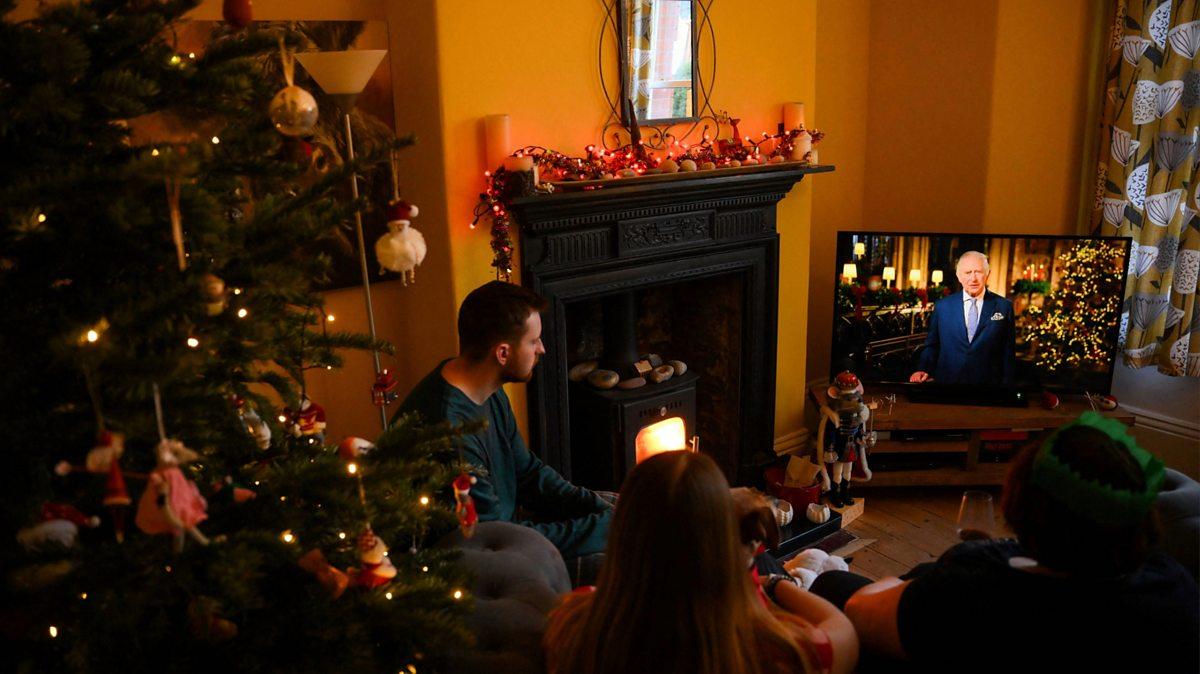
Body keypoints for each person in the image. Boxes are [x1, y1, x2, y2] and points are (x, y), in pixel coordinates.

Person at [811, 412, 1199, 672]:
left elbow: (861, 610)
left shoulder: (978, 585)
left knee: (831, 584)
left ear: (1023, 504)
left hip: (929, 609)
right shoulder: (1175, 584)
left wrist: (920, 579)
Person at [543, 451, 859, 674]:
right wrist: (778, 586)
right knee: (776, 568)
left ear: (625, 536)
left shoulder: (570, 622)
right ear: (720, 541)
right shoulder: (782, 653)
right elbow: (844, 631)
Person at [398, 281, 612, 567]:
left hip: (510, 530)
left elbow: (528, 472)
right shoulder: (450, 431)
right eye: (533, 341)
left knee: (627, 507)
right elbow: (495, 541)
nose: (543, 349)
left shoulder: (485, 385)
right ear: (502, 353)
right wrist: (606, 529)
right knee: (628, 556)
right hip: (482, 561)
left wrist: (601, 509)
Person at [909, 251, 1014, 385]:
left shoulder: (1004, 307)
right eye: (968, 272)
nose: (973, 278)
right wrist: (922, 369)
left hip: (988, 386)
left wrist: (1007, 389)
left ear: (988, 274)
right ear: (959, 276)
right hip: (947, 384)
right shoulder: (942, 306)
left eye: (978, 272)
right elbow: (932, 345)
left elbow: (1008, 353)